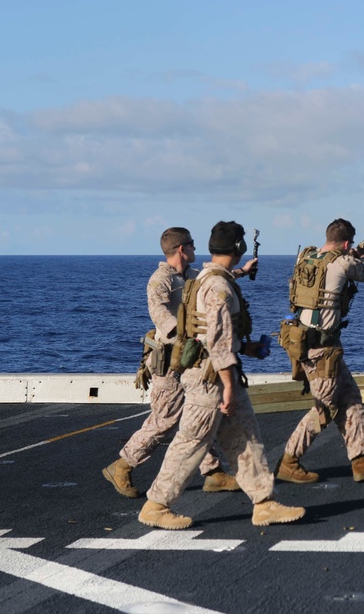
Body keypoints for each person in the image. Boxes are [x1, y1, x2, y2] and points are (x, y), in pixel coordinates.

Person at [139, 221, 305, 529]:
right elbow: (215, 342)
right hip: (210, 380)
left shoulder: (206, 277)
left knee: (246, 437)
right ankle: (156, 505)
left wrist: (248, 348)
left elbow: (218, 336)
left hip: (216, 374)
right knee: (191, 441)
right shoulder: (218, 287)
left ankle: (264, 503)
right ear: (239, 248)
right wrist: (228, 385)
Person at [102, 227, 254, 498]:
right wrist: (184, 335)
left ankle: (213, 472)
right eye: (193, 245)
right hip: (169, 360)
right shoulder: (159, 280)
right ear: (182, 249)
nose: (197, 249)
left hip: (189, 359)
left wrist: (241, 270)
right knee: (165, 420)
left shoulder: (192, 276)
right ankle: (122, 465)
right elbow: (158, 313)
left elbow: (213, 280)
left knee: (199, 413)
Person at [276, 218, 364, 484]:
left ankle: (361, 460)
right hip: (322, 349)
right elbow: (363, 273)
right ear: (345, 243)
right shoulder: (341, 262)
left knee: (351, 397)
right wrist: (363, 255)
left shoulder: (308, 258)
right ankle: (289, 460)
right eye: (349, 245)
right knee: (325, 407)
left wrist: (350, 253)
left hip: (307, 341)